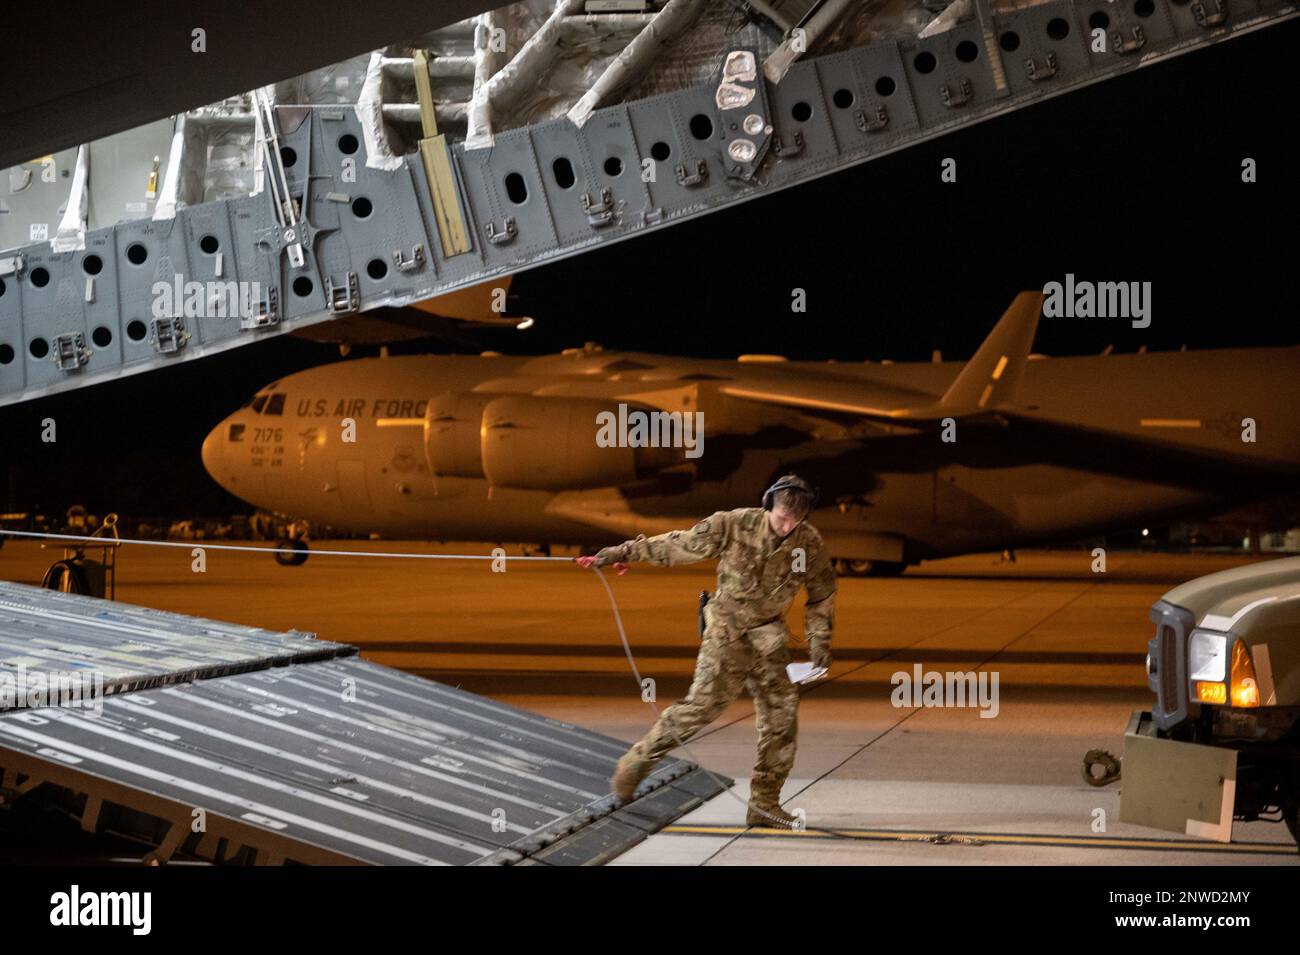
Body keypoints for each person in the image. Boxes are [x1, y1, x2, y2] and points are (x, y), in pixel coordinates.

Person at [575, 474, 836, 828]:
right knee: (700, 709)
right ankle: (635, 764)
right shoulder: (732, 525)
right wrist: (624, 552)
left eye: (794, 522)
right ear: (768, 506)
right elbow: (677, 545)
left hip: (769, 640)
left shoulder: (808, 542)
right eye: (781, 519)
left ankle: (764, 805)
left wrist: (819, 643)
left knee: (781, 720)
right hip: (726, 636)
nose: (786, 528)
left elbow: (821, 592)